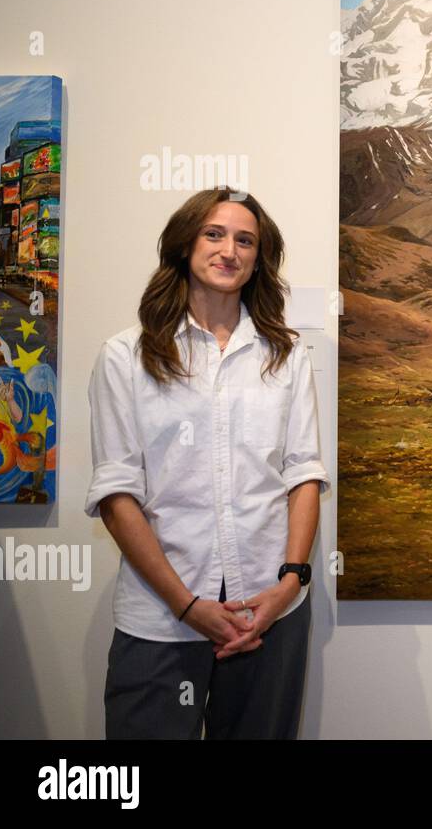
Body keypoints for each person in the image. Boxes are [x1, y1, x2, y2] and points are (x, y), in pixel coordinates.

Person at [84, 186, 330, 739]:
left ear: (258, 258)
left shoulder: (285, 356)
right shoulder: (127, 356)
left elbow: (303, 475)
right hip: (162, 619)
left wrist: (290, 583)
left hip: (269, 615)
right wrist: (187, 605)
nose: (230, 250)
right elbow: (117, 495)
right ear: (184, 244)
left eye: (246, 240)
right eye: (214, 234)